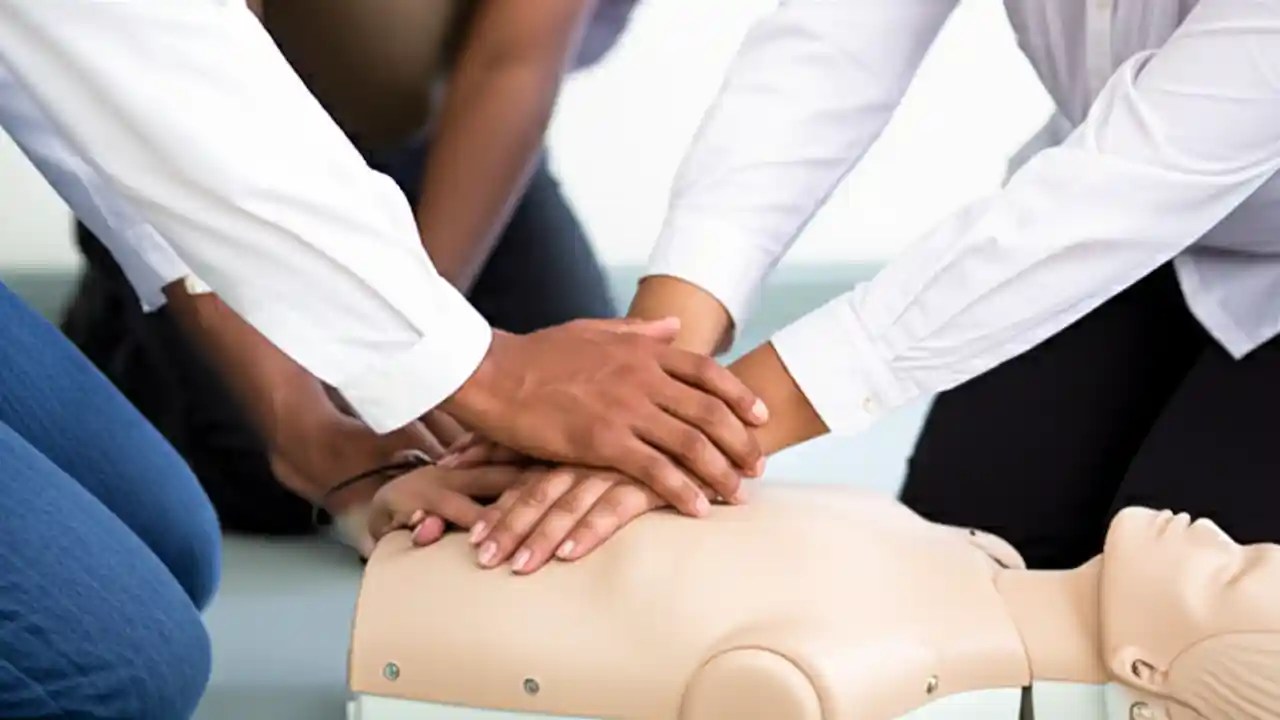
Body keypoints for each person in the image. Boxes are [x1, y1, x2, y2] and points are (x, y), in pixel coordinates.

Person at [0, 0, 764, 715]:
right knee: (126, 666)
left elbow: (514, 59)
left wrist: (411, 374)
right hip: (211, 122)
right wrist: (437, 374)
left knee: (177, 547)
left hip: (357, 140)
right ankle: (130, 342)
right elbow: (152, 93)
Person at [444, 0, 1280, 574]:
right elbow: (832, 47)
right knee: (953, 563)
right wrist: (650, 368)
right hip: (1121, 236)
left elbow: (1124, 188)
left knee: (1189, 603)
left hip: (1194, 232)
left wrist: (700, 432)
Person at [60, 0, 629, 537]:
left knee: (557, 437)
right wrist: (309, 422)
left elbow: (513, 62)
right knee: (263, 475)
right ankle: (122, 317)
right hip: (222, 150)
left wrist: (415, 347)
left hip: (427, 145)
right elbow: (173, 90)